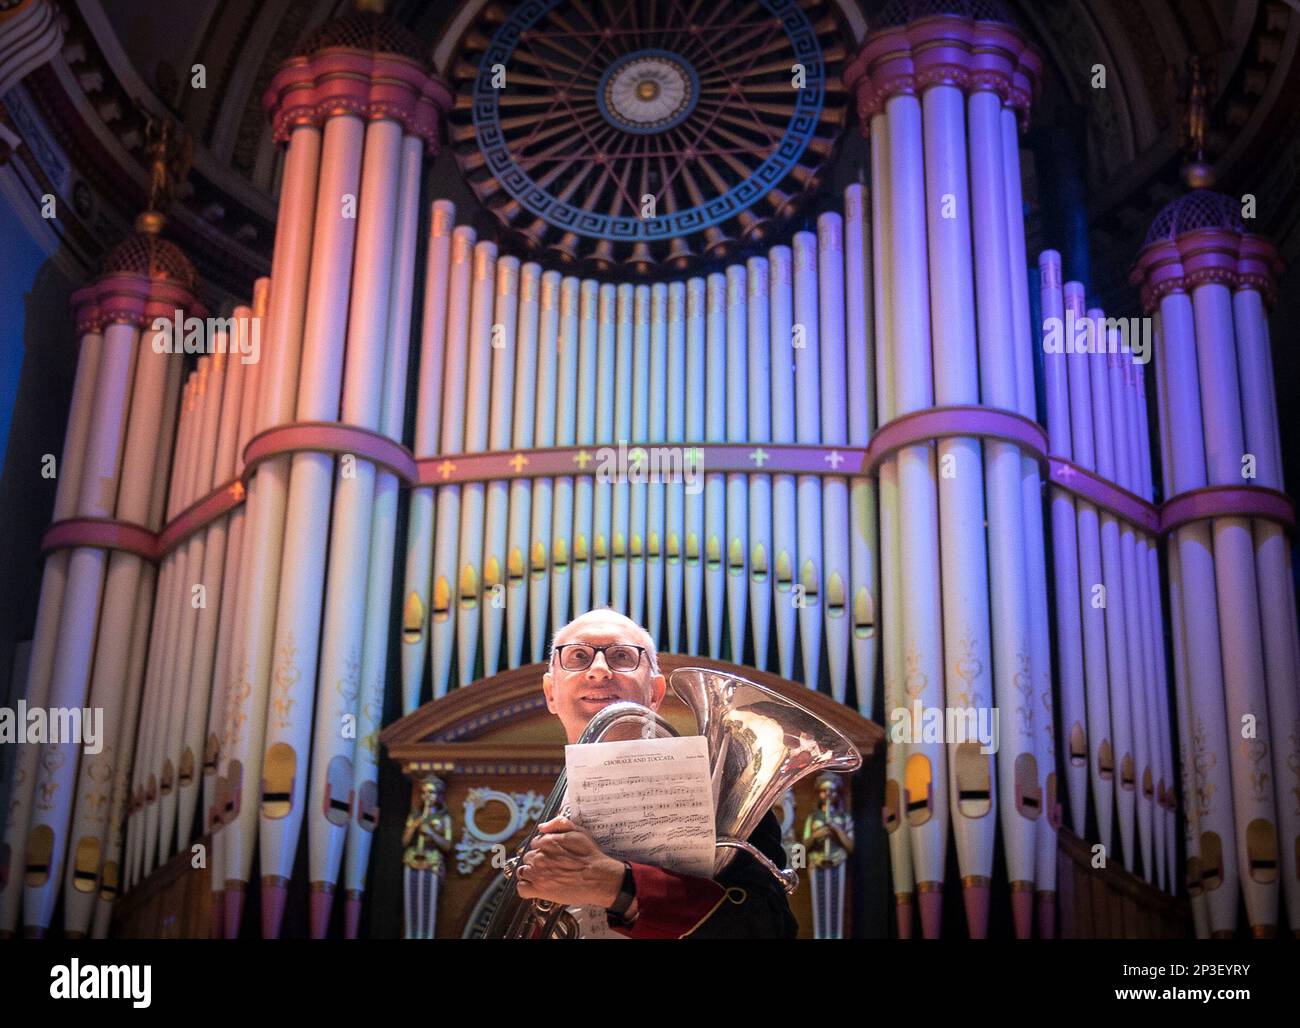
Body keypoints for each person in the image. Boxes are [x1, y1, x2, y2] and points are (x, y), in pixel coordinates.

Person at [515, 607, 798, 939]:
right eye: (578, 656)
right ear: (551, 693)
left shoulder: (721, 793)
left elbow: (769, 930)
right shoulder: (554, 805)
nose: (599, 670)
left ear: (655, 693)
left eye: (621, 656)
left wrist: (620, 888)